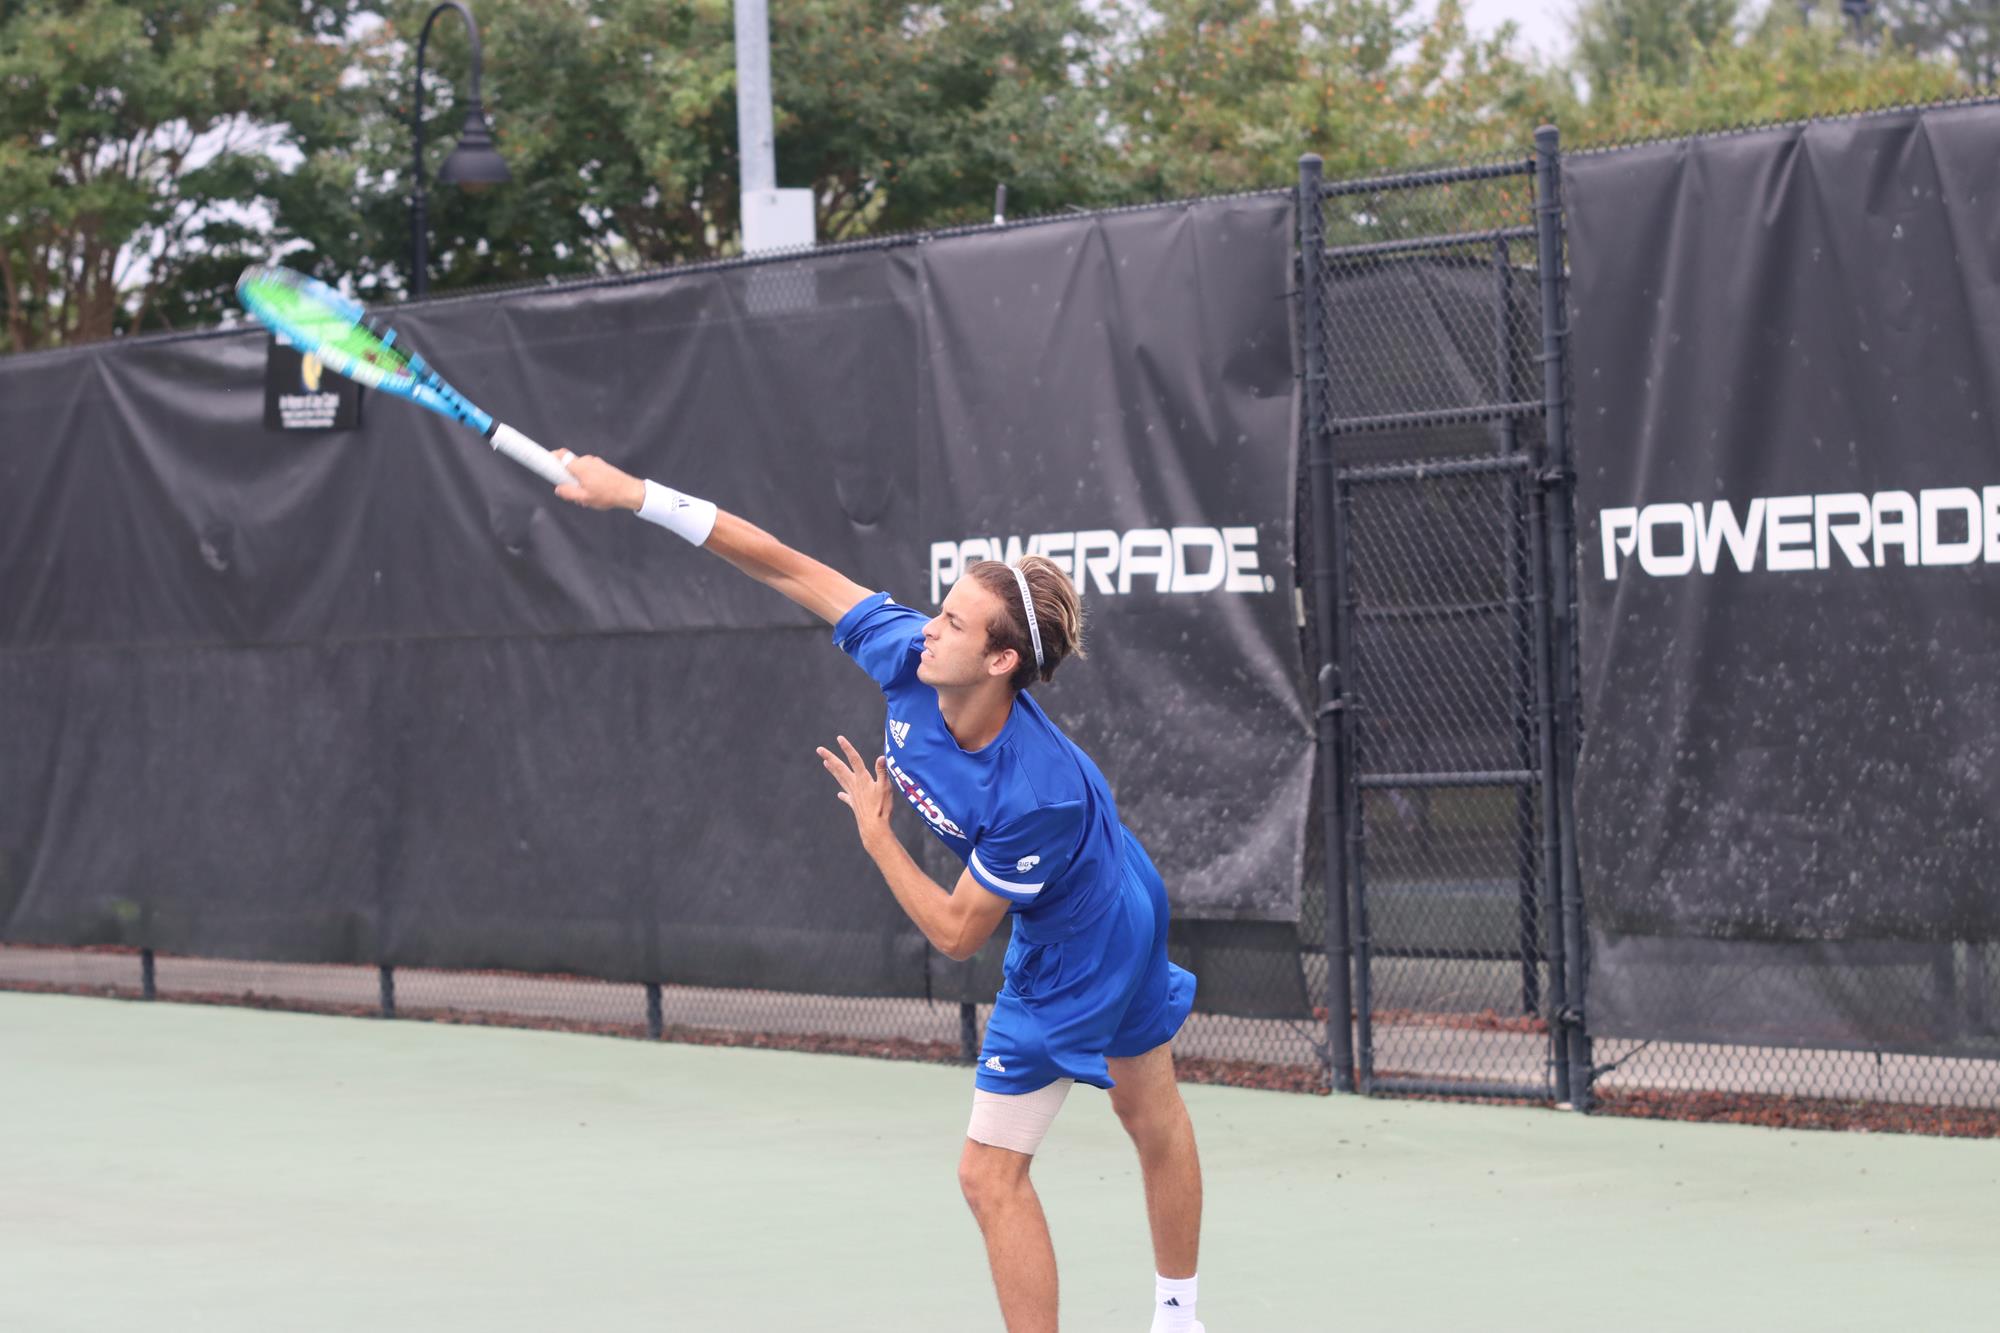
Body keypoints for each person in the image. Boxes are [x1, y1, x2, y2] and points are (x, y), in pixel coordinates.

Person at [550, 452, 1204, 1333]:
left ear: (1001, 659)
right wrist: (632, 494)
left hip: (1085, 936)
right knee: (1143, 1102)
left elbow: (956, 932)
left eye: (956, 624)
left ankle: (1175, 1314)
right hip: (1114, 877)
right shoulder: (907, 654)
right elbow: (780, 559)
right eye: (940, 611)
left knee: (994, 1170)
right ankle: (1183, 1322)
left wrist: (876, 834)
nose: (931, 629)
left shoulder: (1033, 791)